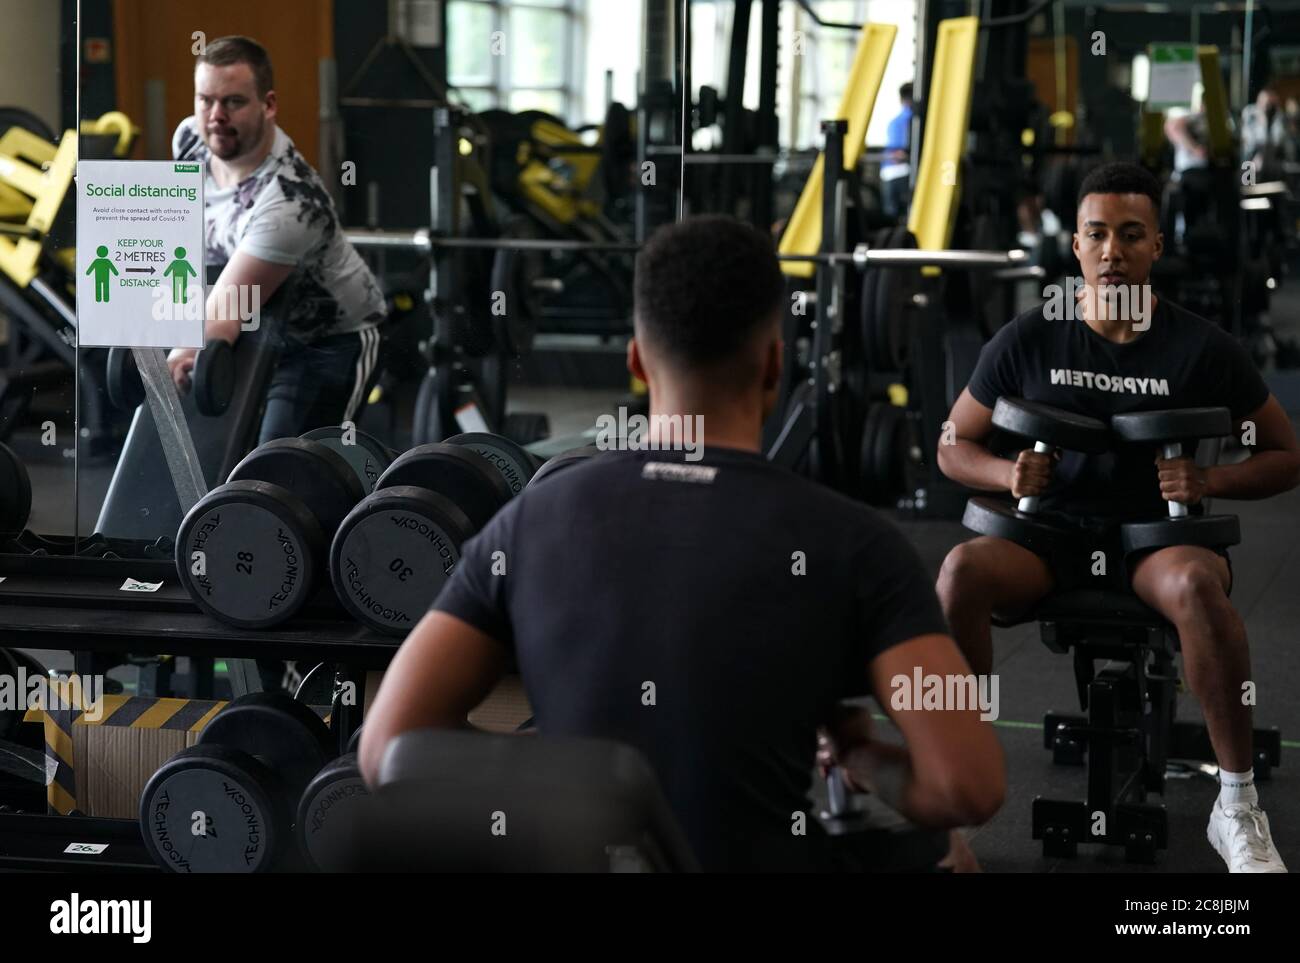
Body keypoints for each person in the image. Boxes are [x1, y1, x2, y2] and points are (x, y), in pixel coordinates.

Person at [360, 215, 1005, 872]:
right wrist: (861, 757)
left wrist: (564, 785)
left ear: (637, 361)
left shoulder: (527, 522)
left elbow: (388, 746)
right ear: (776, 365)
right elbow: (967, 785)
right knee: (953, 855)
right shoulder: (859, 544)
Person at [935, 161, 1300, 873]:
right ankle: (958, 790)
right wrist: (1006, 472)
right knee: (958, 573)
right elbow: (953, 444)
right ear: (1075, 245)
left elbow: (1288, 453)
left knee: (1198, 588)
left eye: (1131, 235)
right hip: (1048, 536)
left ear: (1157, 245)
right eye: (1097, 234)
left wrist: (1211, 476)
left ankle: (1236, 806)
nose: (1113, 251)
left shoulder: (1204, 347)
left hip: (1154, 539)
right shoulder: (1030, 337)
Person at [166, 35, 386, 444]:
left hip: (327, 341)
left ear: (268, 105)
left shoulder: (291, 201)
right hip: (260, 320)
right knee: (232, 457)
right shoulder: (190, 139)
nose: (215, 116)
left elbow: (226, 313)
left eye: (233, 102)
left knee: (287, 463)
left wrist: (181, 351)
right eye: (205, 100)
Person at [880, 82, 913, 221]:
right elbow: (900, 154)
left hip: (887, 174)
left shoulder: (893, 122)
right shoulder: (913, 120)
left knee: (891, 216)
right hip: (905, 172)